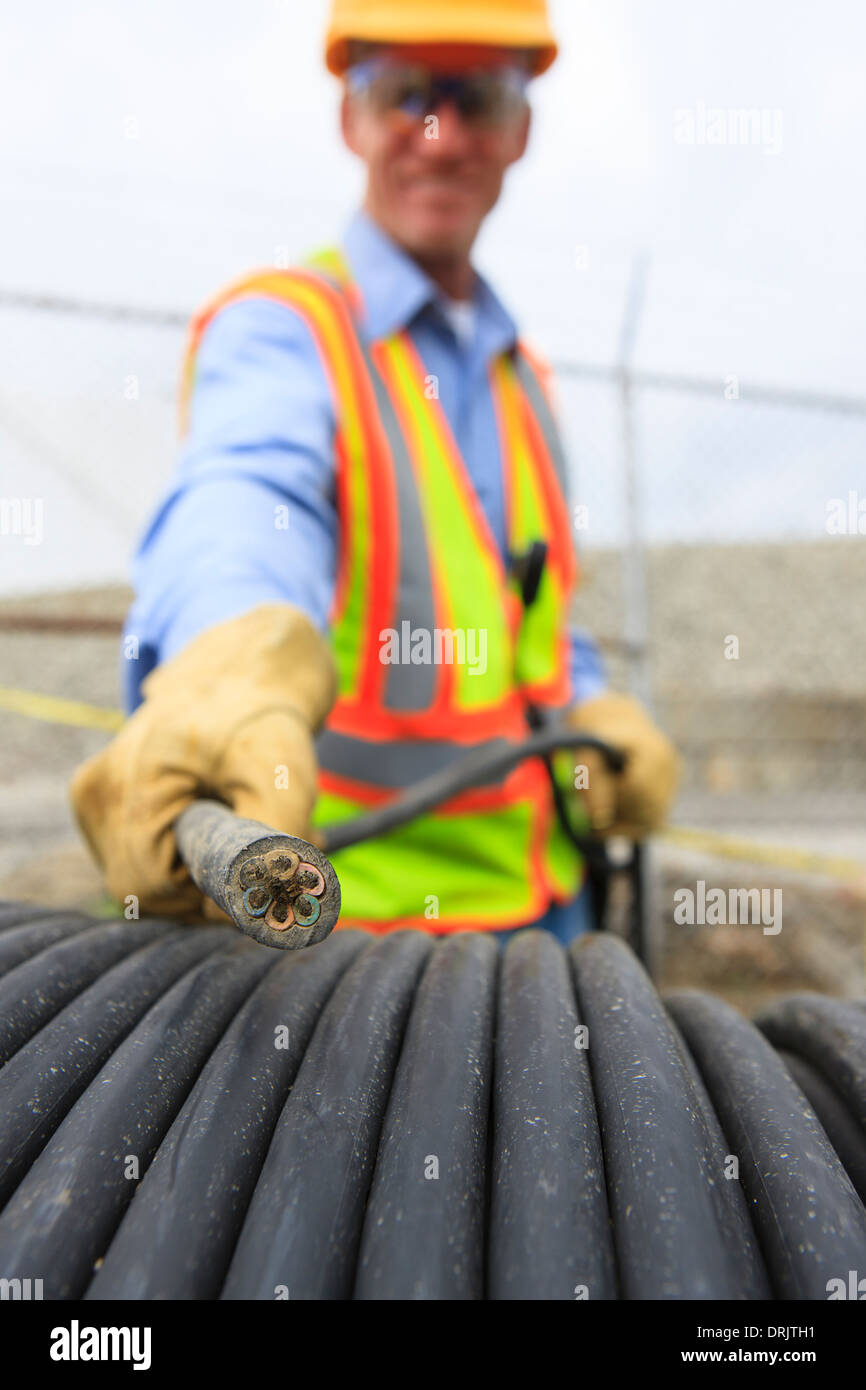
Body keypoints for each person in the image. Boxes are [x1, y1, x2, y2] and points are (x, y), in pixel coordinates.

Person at [71, 0, 679, 944]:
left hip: (555, 914)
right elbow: (245, 495)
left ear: (521, 130)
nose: (437, 139)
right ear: (348, 117)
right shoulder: (290, 329)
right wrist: (231, 655)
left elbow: (529, 618)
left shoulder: (525, 382)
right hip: (349, 941)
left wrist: (590, 701)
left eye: (475, 99)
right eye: (403, 95)